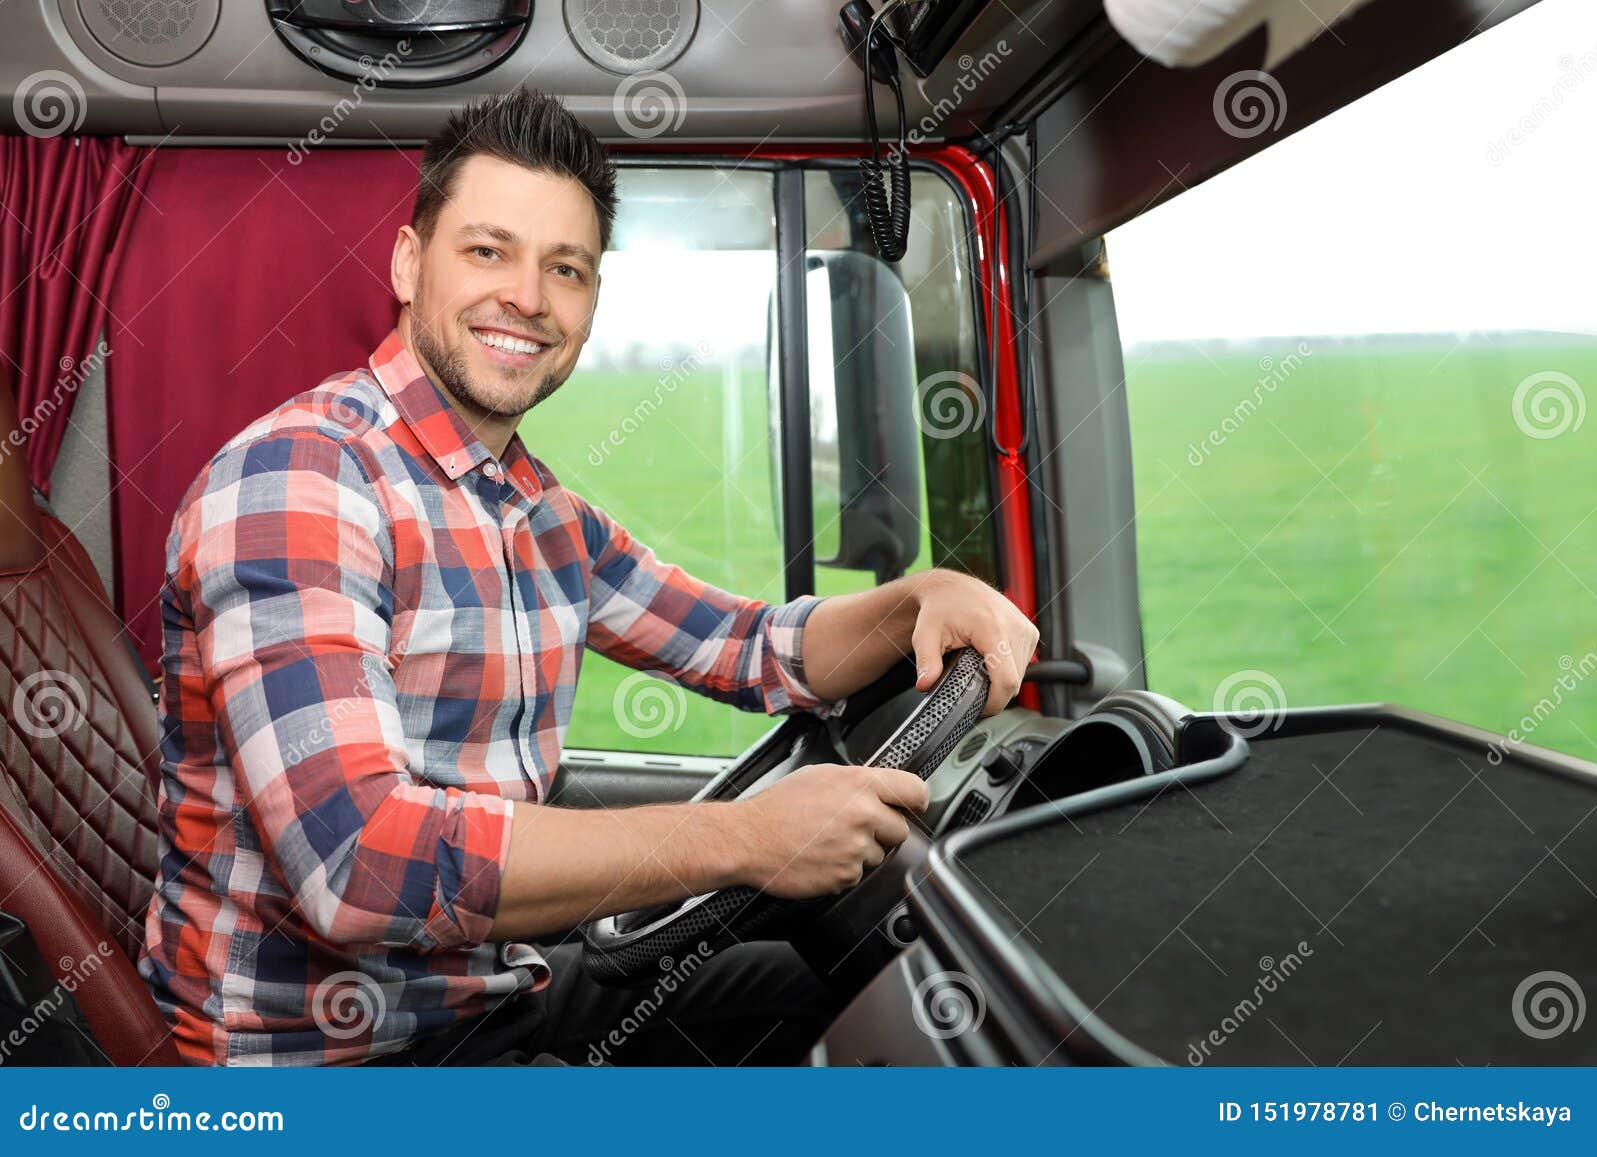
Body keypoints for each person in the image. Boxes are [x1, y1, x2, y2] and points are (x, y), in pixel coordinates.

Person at [136, 87, 1038, 1066]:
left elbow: (749, 647)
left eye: (564, 268)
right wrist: (745, 838)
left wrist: (924, 597)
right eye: (489, 251)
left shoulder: (538, 514)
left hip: (484, 996)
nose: (528, 297)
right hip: (329, 1060)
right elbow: (359, 863)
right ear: (407, 263)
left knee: (864, 997)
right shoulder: (301, 480)